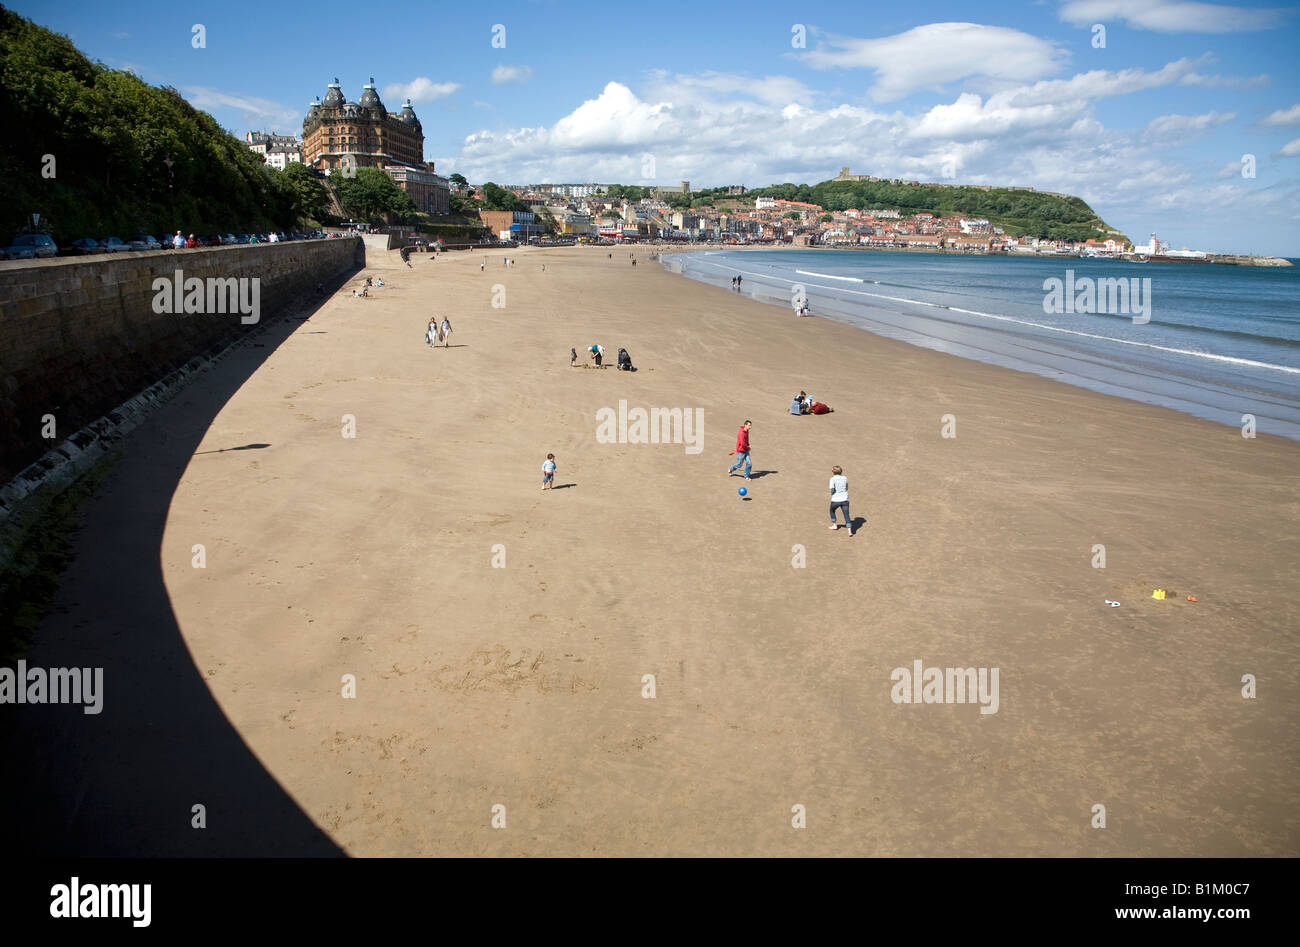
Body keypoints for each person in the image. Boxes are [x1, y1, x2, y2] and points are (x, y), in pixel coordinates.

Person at [828, 466, 852, 534]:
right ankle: (849, 531)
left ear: (833, 472)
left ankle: (834, 525)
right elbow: (847, 487)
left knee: (832, 510)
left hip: (835, 499)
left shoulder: (832, 479)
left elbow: (832, 489)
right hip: (845, 499)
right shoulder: (845, 478)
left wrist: (832, 494)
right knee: (846, 515)